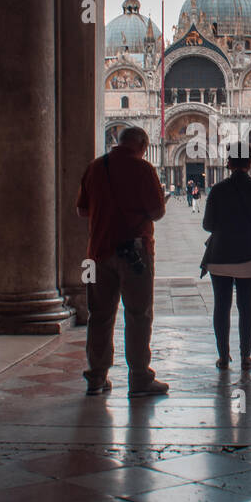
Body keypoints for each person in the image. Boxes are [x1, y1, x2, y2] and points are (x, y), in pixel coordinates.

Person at [75, 126, 168, 397]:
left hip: (96, 254)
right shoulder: (143, 170)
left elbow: (81, 210)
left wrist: (105, 214)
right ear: (140, 145)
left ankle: (96, 377)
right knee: (138, 315)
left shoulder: (94, 168)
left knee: (99, 316)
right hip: (134, 252)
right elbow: (157, 211)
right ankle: (139, 379)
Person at [200, 145, 251, 370]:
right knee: (246, 306)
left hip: (220, 256)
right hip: (249, 257)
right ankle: (245, 357)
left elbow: (207, 225)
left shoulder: (217, 190)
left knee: (221, 306)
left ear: (228, 163)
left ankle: (223, 357)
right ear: (250, 163)